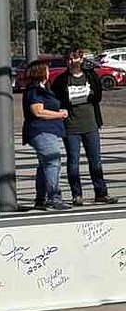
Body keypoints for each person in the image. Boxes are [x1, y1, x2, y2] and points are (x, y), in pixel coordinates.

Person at [51, 48, 118, 206]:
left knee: (95, 161)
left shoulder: (90, 76)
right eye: (68, 59)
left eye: (74, 58)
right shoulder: (62, 80)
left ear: (80, 59)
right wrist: (61, 109)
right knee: (73, 161)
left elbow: (98, 95)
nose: (71, 62)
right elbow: (55, 100)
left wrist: (92, 75)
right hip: (71, 127)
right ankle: (77, 194)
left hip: (91, 124)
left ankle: (101, 193)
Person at [21, 59, 72, 211]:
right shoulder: (35, 90)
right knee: (53, 162)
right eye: (47, 70)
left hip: (49, 130)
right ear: (41, 72)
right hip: (41, 130)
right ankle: (54, 197)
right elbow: (38, 111)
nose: (49, 72)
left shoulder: (44, 88)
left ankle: (41, 198)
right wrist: (59, 114)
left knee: (45, 164)